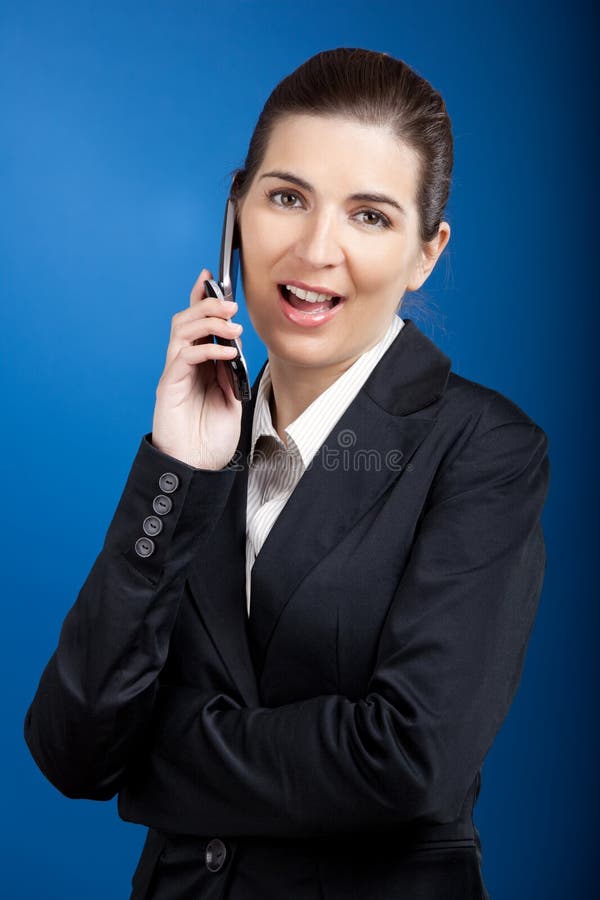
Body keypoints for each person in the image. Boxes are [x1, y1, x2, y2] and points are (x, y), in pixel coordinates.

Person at [24, 48, 550, 900]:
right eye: (287, 197)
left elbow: (409, 759)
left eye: (370, 217)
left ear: (426, 252)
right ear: (235, 213)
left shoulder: (484, 446)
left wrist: (156, 765)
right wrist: (175, 469)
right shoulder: (198, 440)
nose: (314, 249)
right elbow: (71, 746)